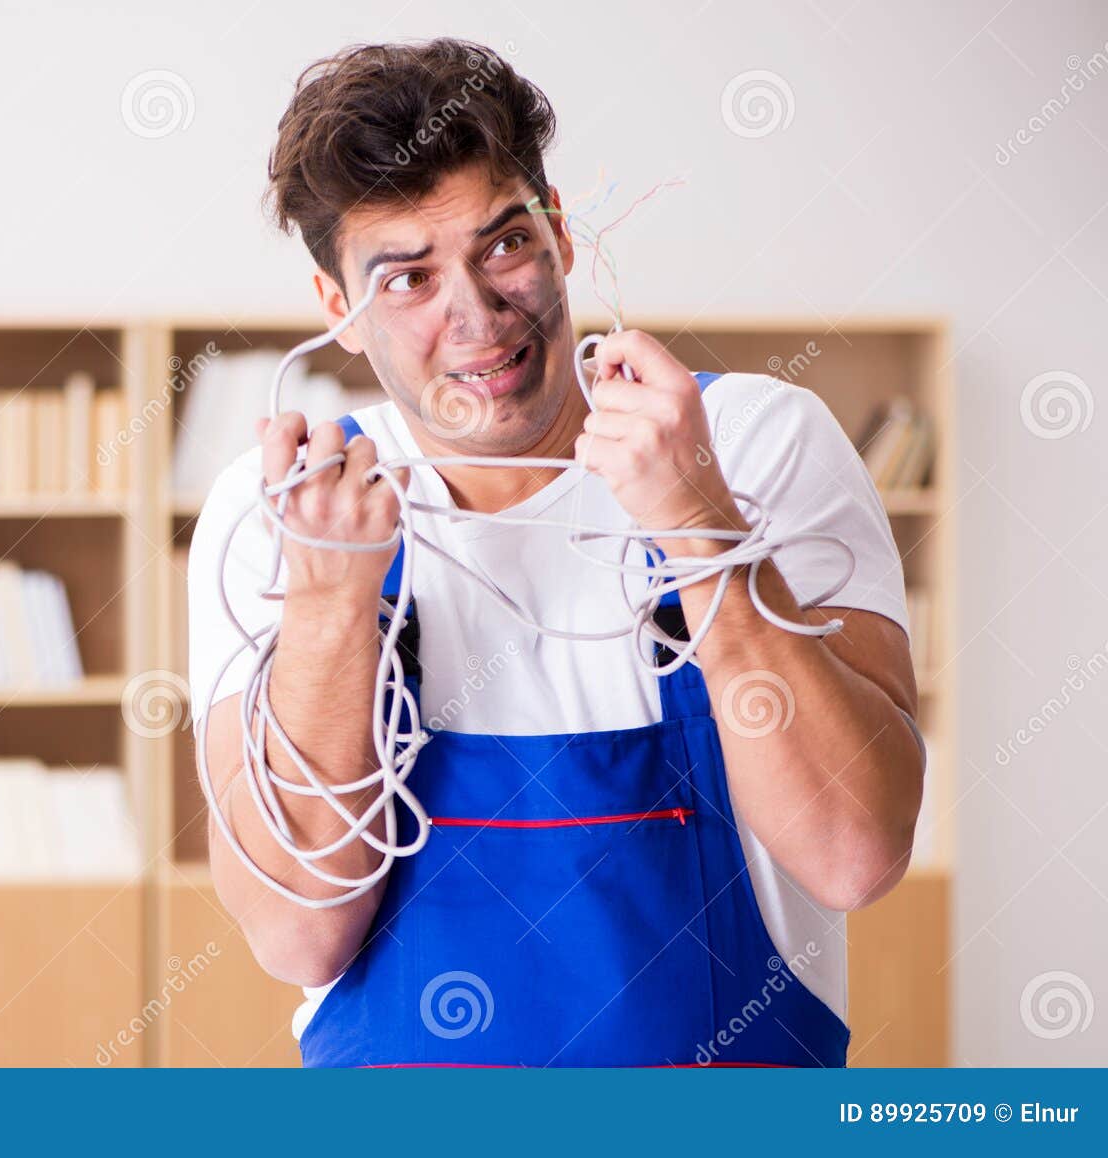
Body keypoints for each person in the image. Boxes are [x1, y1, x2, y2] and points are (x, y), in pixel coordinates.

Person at [187, 38, 924, 1068]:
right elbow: (296, 930)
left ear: (561, 233)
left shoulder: (754, 445)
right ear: (336, 313)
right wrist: (326, 611)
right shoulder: (283, 510)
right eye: (406, 278)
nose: (477, 318)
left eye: (502, 245)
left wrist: (700, 524)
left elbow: (855, 852)